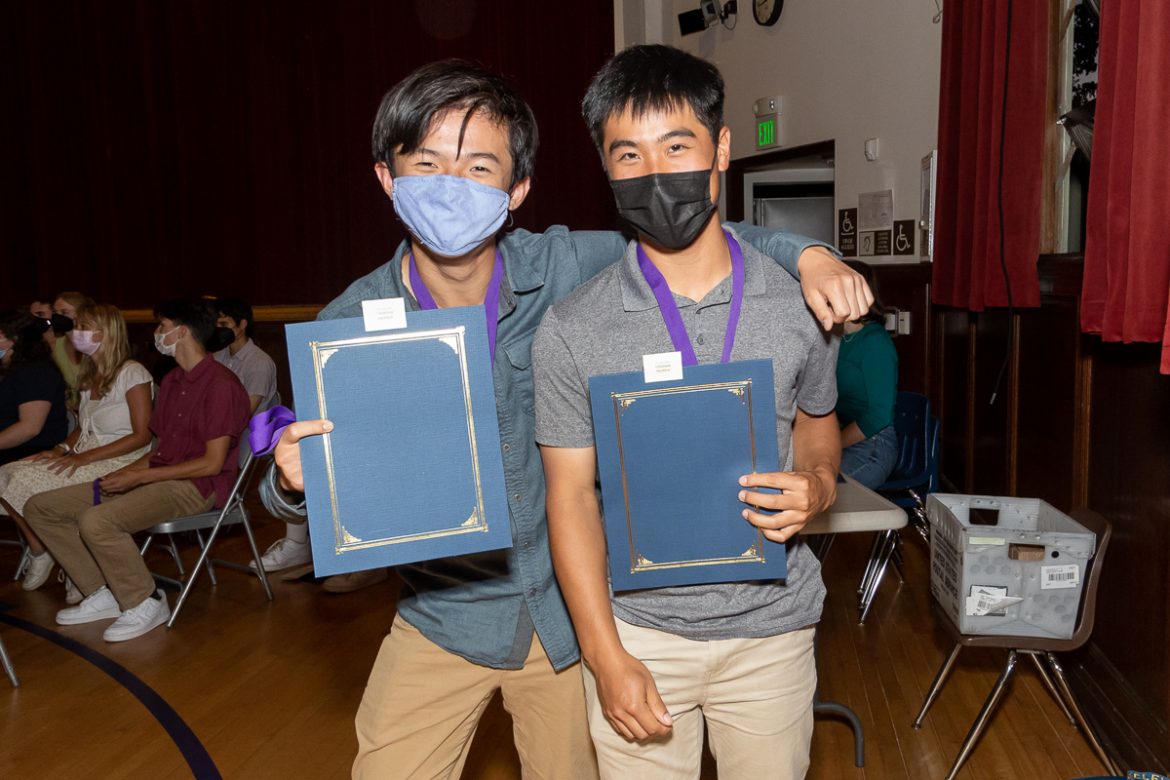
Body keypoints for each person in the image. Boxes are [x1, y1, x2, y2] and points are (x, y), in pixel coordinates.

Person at [260, 60, 868, 779]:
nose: (451, 187)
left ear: (516, 189)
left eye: (478, 166)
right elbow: (321, 486)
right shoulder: (348, 327)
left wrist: (811, 255)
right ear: (387, 177)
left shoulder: (569, 264)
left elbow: (701, 237)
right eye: (426, 163)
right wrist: (291, 484)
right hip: (444, 618)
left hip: (568, 623)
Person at [533, 45, 841, 778]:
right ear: (604, 168)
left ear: (721, 148)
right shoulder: (572, 327)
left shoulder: (805, 302)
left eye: (677, 146)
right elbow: (570, 496)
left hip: (773, 634)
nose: (656, 172)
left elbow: (818, 424)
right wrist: (605, 657)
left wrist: (819, 486)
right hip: (640, 638)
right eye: (627, 155)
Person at [24, 298, 250, 643]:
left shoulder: (221, 384)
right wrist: (127, 473)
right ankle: (102, 590)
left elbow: (212, 463)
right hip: (161, 475)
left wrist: (139, 477)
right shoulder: (173, 380)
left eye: (162, 327)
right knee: (42, 507)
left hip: (197, 486)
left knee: (97, 521)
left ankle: (145, 600)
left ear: (182, 332)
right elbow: (159, 450)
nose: (157, 334)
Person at [0, 303, 154, 593]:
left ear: (106, 332)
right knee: (7, 471)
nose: (76, 333)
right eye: (77, 326)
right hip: (88, 452)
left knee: (29, 481)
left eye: (84, 327)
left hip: (123, 458)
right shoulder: (89, 373)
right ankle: (49, 550)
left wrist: (84, 458)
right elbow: (84, 428)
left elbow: (142, 436)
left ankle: (74, 563)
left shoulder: (132, 373)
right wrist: (61, 449)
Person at [836, 260, 899, 489]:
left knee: (821, 495)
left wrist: (831, 445)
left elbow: (878, 416)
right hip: (843, 440)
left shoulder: (874, 342)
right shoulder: (837, 338)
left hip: (872, 446)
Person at [0, 310, 68, 466]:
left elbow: (30, 428)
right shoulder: (11, 369)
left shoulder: (36, 372)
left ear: (16, 339)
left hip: (30, 451)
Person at [213, 297, 278, 415]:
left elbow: (245, 413)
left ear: (242, 324)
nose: (218, 329)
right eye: (216, 324)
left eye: (223, 324)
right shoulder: (216, 357)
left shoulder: (259, 362)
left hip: (248, 431)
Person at [47, 291, 95, 412]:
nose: (57, 317)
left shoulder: (92, 345)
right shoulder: (54, 345)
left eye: (64, 312)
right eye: (55, 312)